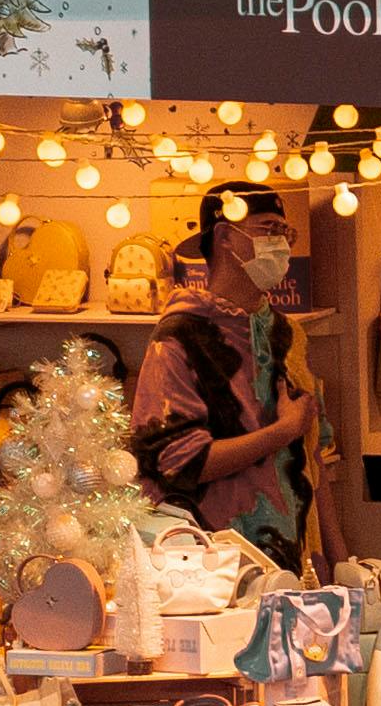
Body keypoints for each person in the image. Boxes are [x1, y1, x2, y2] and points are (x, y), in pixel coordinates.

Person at [125, 190, 315, 555]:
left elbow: (311, 462)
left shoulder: (286, 334)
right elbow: (179, 463)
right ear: (226, 237)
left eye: (286, 234)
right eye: (269, 229)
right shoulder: (179, 337)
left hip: (289, 550)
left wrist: (332, 560)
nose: (281, 245)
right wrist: (282, 431)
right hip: (211, 558)